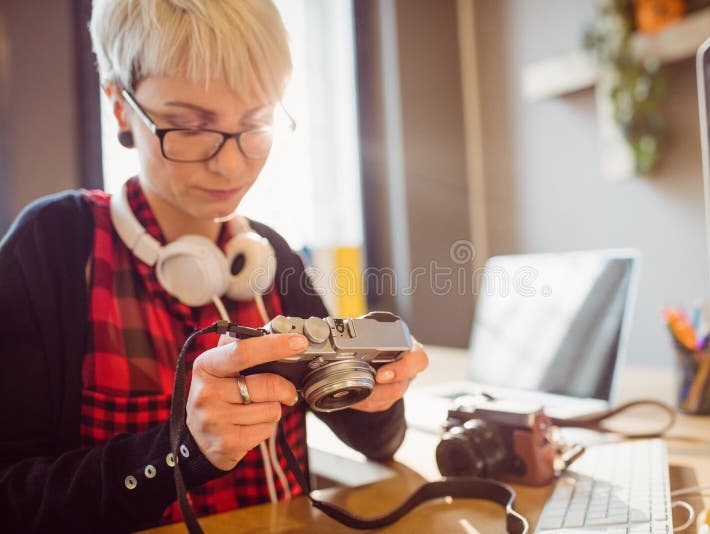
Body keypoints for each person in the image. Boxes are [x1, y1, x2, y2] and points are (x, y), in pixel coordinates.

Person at [0, 0, 428, 531]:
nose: (230, 164)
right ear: (118, 106)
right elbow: (11, 500)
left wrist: (378, 393)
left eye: (256, 123)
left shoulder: (271, 255)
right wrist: (181, 449)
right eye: (187, 126)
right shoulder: (54, 247)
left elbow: (378, 443)